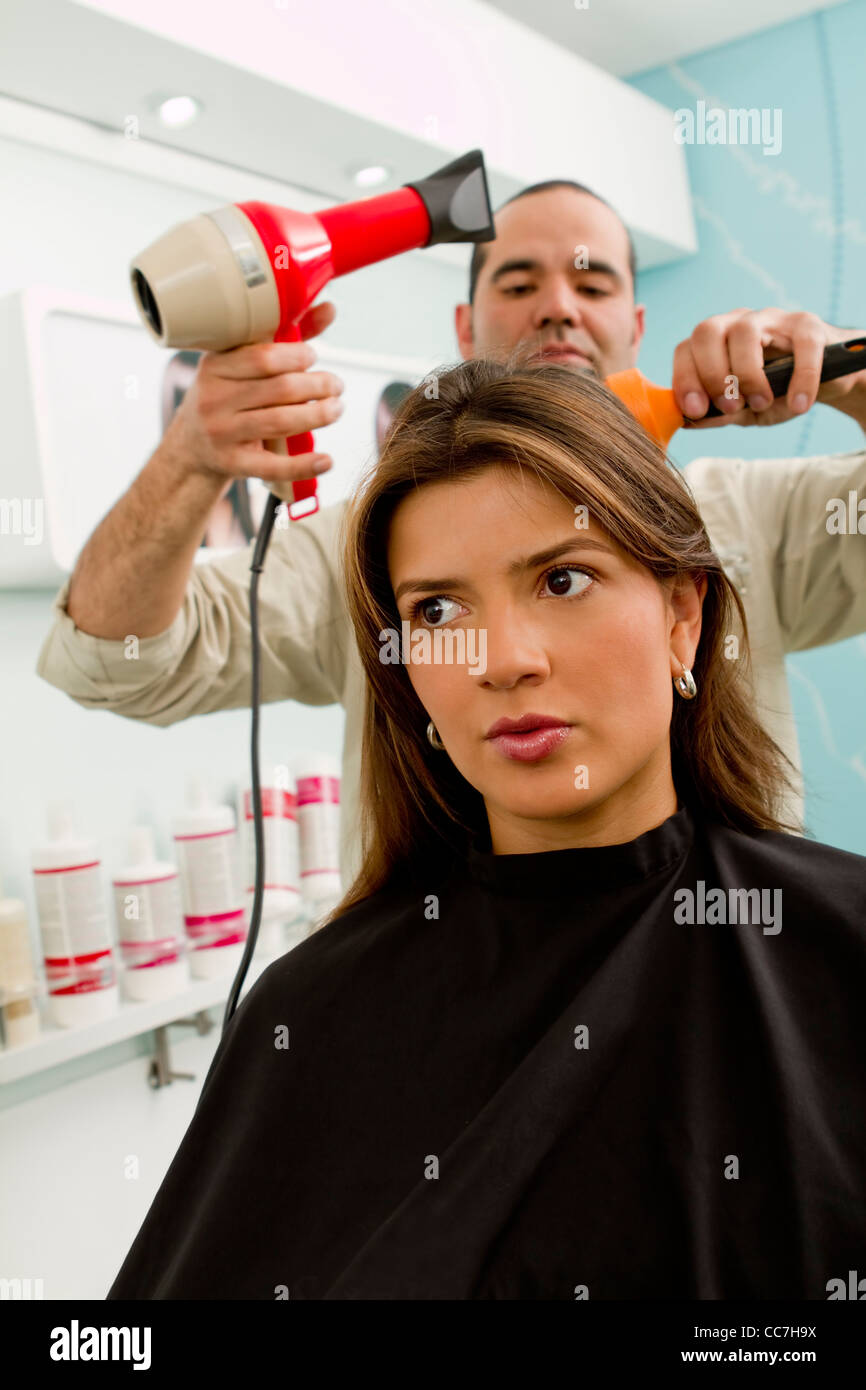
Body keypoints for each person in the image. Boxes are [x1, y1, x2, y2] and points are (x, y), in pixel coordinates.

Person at [106, 358, 866, 1300]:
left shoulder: (840, 943)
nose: (501, 661)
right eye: (438, 610)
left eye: (563, 579)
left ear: (681, 616)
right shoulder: (307, 1018)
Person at [35, 181, 866, 887]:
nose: (558, 307)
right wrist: (189, 459)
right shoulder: (364, 546)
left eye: (592, 283)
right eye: (519, 282)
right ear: (465, 327)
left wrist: (848, 377)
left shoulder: (744, 516)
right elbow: (114, 661)